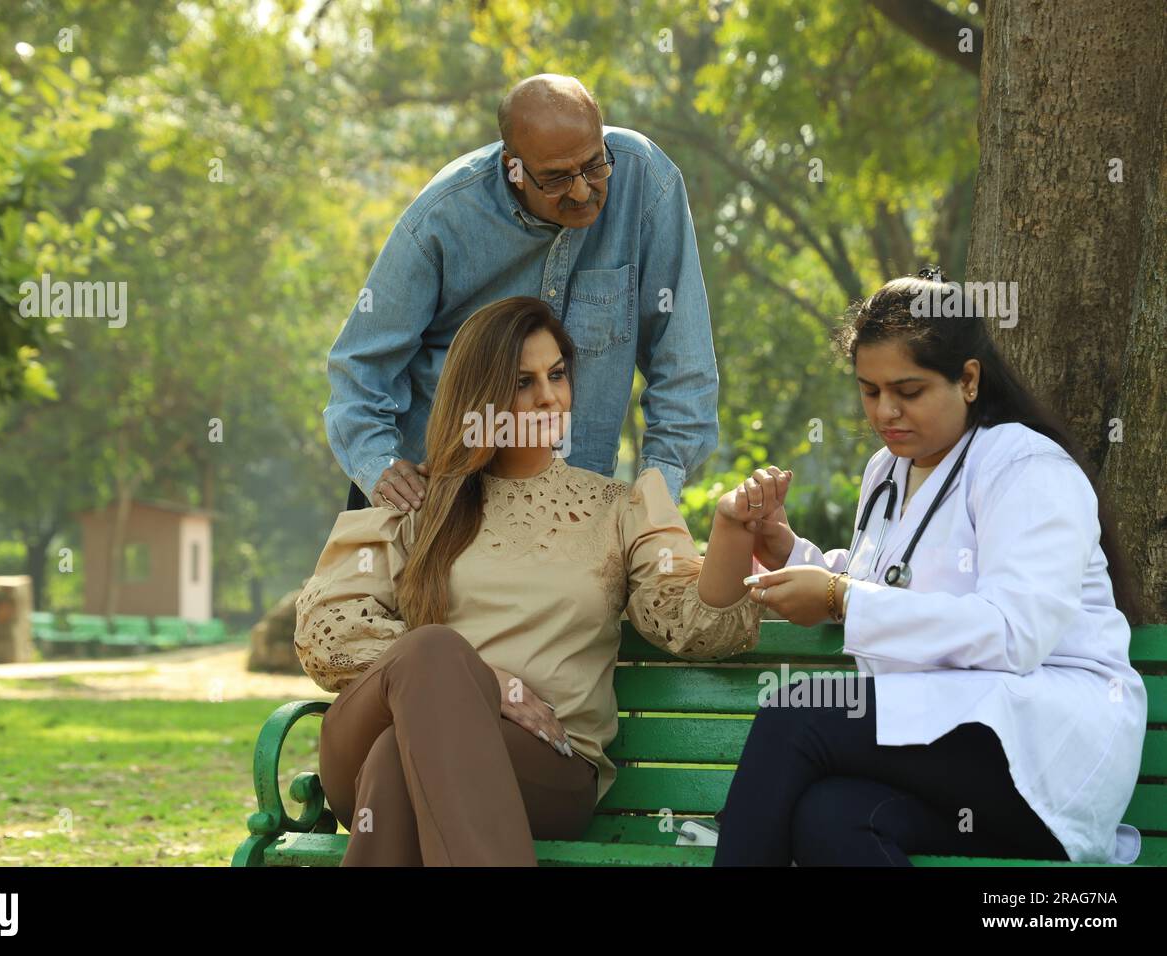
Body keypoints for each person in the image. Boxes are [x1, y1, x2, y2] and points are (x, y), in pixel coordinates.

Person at [294, 296, 766, 866]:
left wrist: (732, 533)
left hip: (544, 765)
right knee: (433, 654)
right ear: (479, 398)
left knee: (402, 757)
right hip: (362, 748)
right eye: (522, 382)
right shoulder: (416, 505)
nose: (549, 396)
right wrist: (488, 684)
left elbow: (697, 629)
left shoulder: (620, 509)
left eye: (557, 374)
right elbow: (326, 635)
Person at [714, 268, 1147, 866]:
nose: (886, 411)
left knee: (793, 716)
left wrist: (841, 598)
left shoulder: (1026, 467)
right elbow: (890, 581)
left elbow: (1013, 633)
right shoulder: (886, 471)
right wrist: (792, 553)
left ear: (968, 379)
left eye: (908, 391)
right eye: (869, 391)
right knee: (832, 818)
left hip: (1041, 752)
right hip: (950, 744)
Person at [325, 73, 718, 514]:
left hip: (569, 513)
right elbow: (358, 370)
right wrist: (380, 465)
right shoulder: (442, 218)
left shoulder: (647, 183)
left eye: (594, 165)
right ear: (513, 167)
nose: (583, 190)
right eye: (556, 179)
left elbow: (685, 370)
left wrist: (655, 499)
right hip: (434, 504)